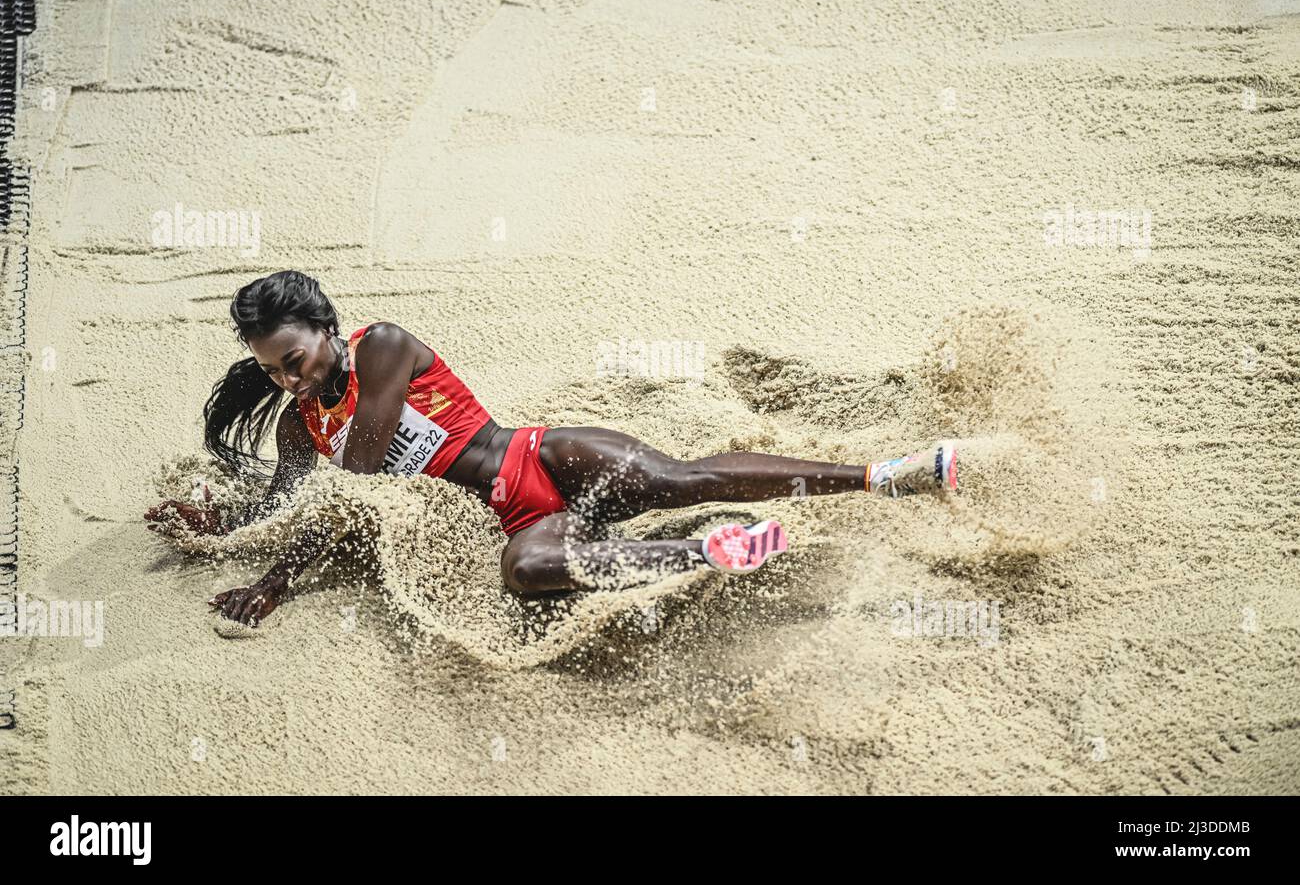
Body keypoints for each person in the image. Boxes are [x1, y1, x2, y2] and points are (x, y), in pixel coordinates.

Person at [145, 270, 957, 627]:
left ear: (328, 328)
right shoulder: (300, 425)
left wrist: (279, 577)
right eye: (274, 372)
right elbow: (289, 501)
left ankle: (881, 475)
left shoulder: (383, 348)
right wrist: (219, 531)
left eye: (298, 360)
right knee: (528, 572)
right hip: (515, 520)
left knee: (684, 475)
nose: (290, 381)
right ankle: (712, 552)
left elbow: (350, 484)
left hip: (540, 457)